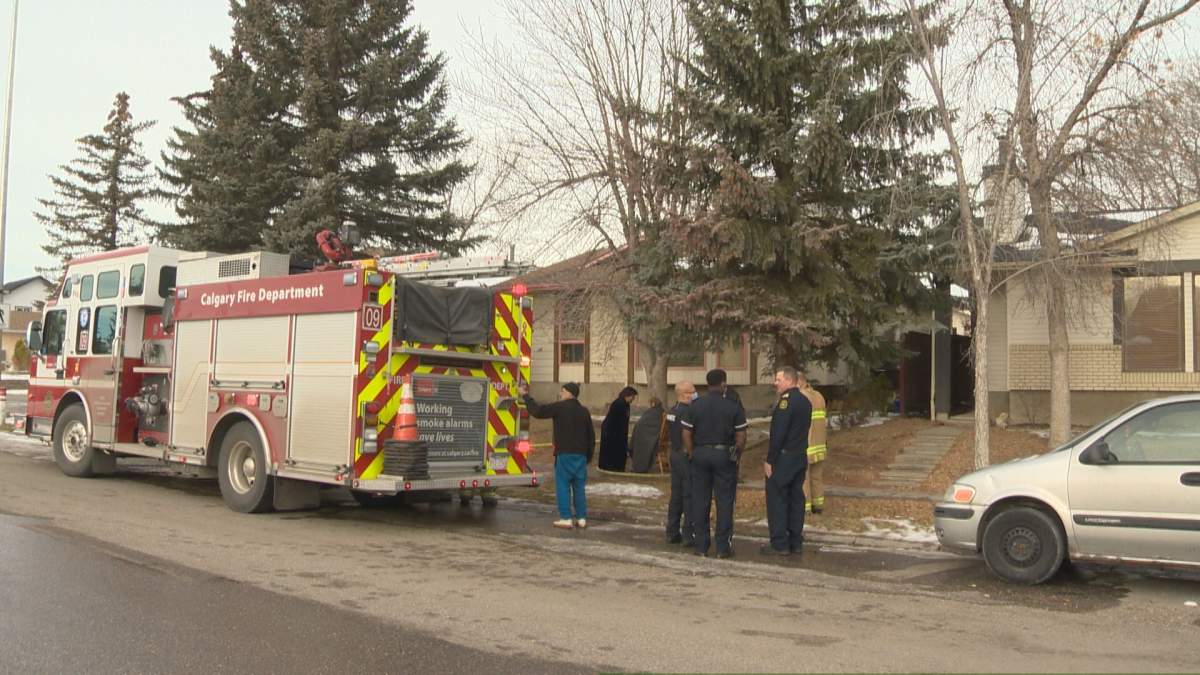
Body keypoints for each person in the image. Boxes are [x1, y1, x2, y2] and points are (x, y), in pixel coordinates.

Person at [681, 369, 747, 558]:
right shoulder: (733, 406)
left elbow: (686, 433)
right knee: (724, 501)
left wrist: (692, 452)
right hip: (723, 455)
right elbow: (741, 435)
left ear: (707, 383)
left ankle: (701, 546)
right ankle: (722, 547)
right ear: (723, 384)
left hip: (700, 454)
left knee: (700, 500)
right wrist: (737, 453)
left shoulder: (696, 405)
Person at [520, 382, 595, 529]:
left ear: (569, 393)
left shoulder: (559, 407)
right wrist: (588, 456)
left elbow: (538, 411)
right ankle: (581, 518)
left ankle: (566, 518)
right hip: (581, 455)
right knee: (579, 487)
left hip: (565, 454)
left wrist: (525, 396)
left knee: (563, 485)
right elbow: (591, 436)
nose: (560, 394)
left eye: (562, 391)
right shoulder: (584, 411)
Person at [761, 366, 813, 556]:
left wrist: (770, 460)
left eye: (779, 379)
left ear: (789, 381)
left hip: (784, 458)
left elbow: (778, 434)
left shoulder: (786, 402)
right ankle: (795, 541)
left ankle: (780, 543)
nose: (775, 383)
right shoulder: (805, 401)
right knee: (796, 499)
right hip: (799, 456)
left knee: (778, 499)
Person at [664, 381, 697, 546]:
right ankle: (688, 534)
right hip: (685, 455)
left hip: (675, 453)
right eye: (692, 392)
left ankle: (672, 531)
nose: (695, 395)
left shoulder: (672, 411)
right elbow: (689, 434)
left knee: (676, 494)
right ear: (685, 394)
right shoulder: (688, 412)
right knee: (689, 494)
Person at [797, 372, 828, 514]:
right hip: (820, 445)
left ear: (798, 382)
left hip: (807, 444)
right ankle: (818, 505)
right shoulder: (819, 396)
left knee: (803, 478)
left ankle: (805, 507)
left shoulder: (802, 396)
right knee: (817, 477)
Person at [598, 386, 638, 471]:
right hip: (612, 433)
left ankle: (617, 467)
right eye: (633, 397)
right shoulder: (619, 404)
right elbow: (615, 421)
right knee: (612, 453)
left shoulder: (626, 405)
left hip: (618, 432)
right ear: (628, 395)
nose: (633, 399)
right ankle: (611, 467)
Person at [629, 396, 665, 473]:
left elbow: (645, 423)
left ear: (653, 404)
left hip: (649, 436)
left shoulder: (654, 412)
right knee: (637, 440)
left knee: (639, 444)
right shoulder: (660, 411)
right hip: (649, 434)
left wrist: (639, 428)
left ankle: (640, 467)